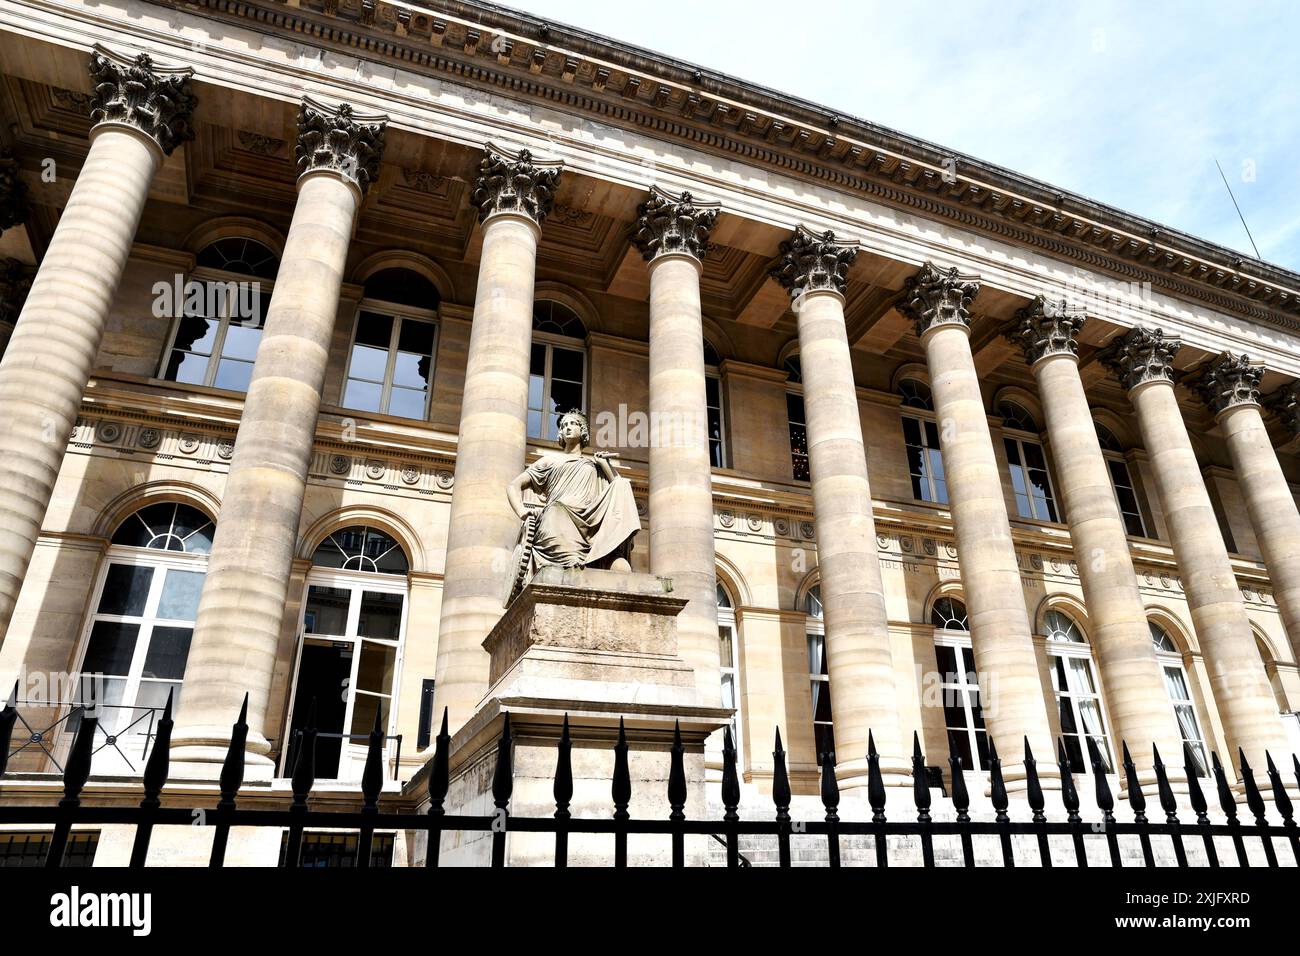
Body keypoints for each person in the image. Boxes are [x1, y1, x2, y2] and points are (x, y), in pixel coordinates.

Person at [504, 410, 640, 603]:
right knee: (557, 509)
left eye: (572, 424)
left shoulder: (593, 465)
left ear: (582, 430)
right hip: (557, 517)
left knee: (623, 484)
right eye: (563, 425)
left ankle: (608, 552)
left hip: (590, 521)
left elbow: (619, 490)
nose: (567, 428)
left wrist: (605, 465)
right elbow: (513, 485)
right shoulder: (549, 461)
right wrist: (522, 511)